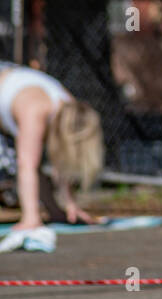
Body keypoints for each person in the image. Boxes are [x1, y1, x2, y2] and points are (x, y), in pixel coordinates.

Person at [0, 60, 104, 235]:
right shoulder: (35, 109)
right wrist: (31, 218)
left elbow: (62, 162)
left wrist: (70, 205)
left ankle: (53, 210)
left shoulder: (70, 107)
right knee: (28, 161)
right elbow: (26, 166)